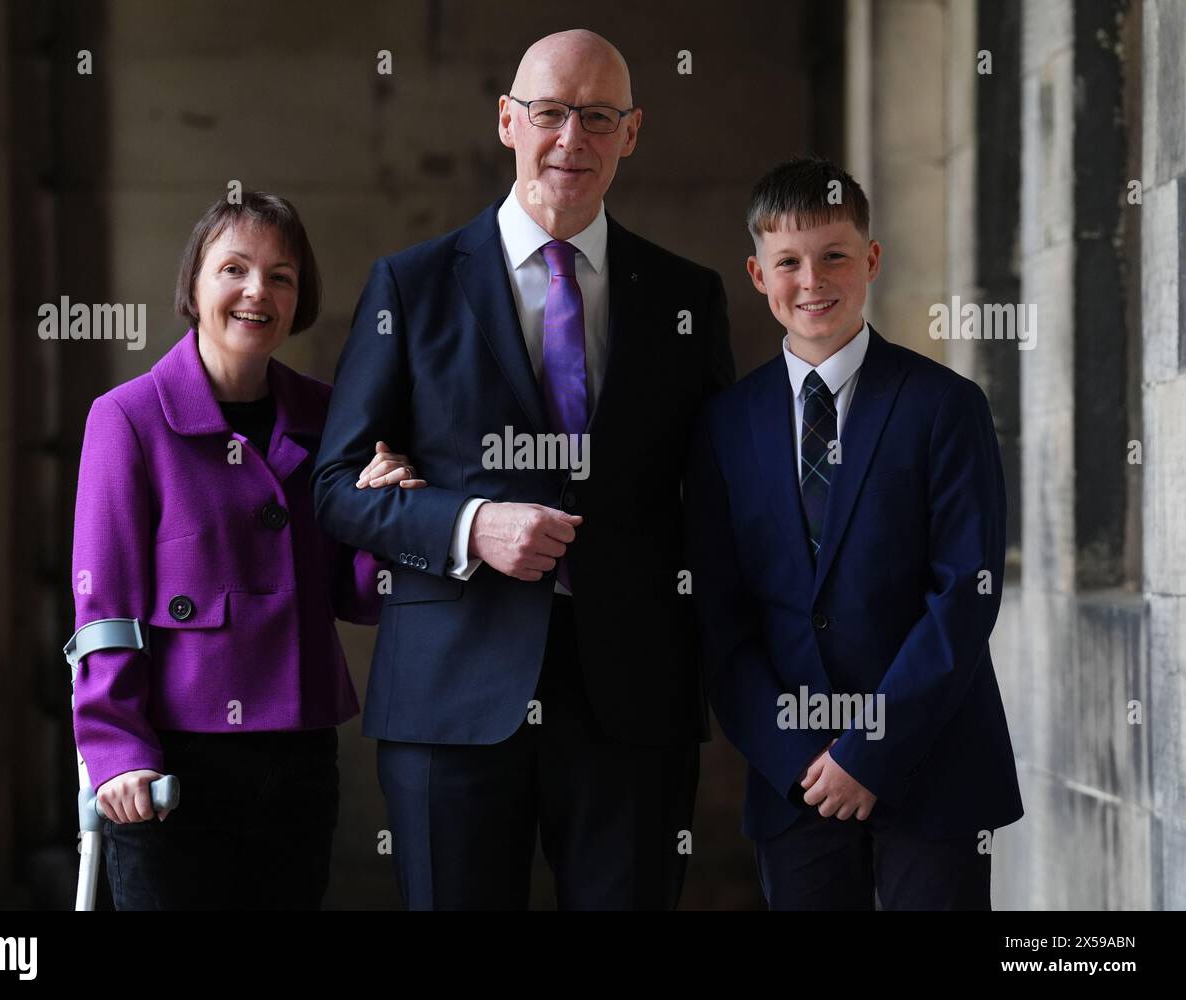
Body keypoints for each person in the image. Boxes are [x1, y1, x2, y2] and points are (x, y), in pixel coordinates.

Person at [313, 29, 734, 910]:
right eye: (549, 113)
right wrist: (470, 525)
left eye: (598, 117)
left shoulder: (685, 298)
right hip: (450, 696)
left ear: (633, 131)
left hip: (633, 696)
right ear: (508, 121)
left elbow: (720, 497)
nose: (571, 139)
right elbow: (335, 485)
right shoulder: (412, 286)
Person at [685, 156, 1024, 910]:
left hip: (935, 767)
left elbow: (964, 596)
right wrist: (796, 756)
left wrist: (869, 752)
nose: (813, 280)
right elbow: (719, 614)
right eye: (789, 262)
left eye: (835, 255)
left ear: (870, 259)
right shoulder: (723, 427)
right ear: (756, 272)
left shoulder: (944, 405)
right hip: (795, 781)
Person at [70, 191, 421, 909]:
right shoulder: (127, 419)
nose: (257, 291)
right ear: (194, 288)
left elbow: (357, 596)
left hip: (298, 757)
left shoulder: (331, 415)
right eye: (234, 268)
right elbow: (103, 606)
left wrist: (387, 514)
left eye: (281, 276)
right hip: (170, 764)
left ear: (299, 300)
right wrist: (117, 752)